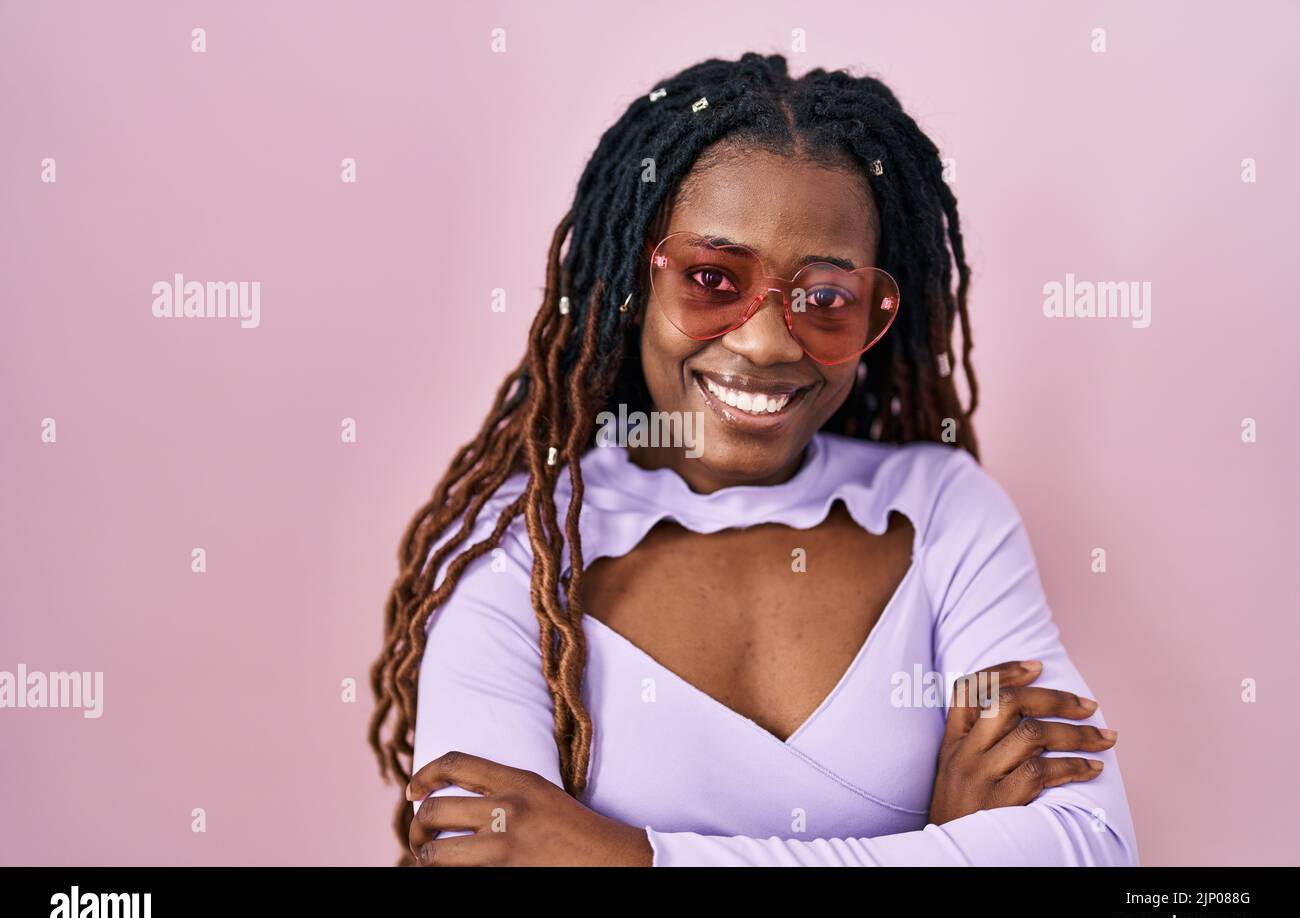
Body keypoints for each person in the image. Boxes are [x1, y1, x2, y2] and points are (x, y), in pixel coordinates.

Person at [368, 52, 1139, 867]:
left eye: (828, 299)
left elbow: (1086, 851)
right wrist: (942, 846)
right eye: (711, 277)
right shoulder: (524, 543)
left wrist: (627, 858)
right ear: (634, 280)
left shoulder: (943, 508)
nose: (769, 343)